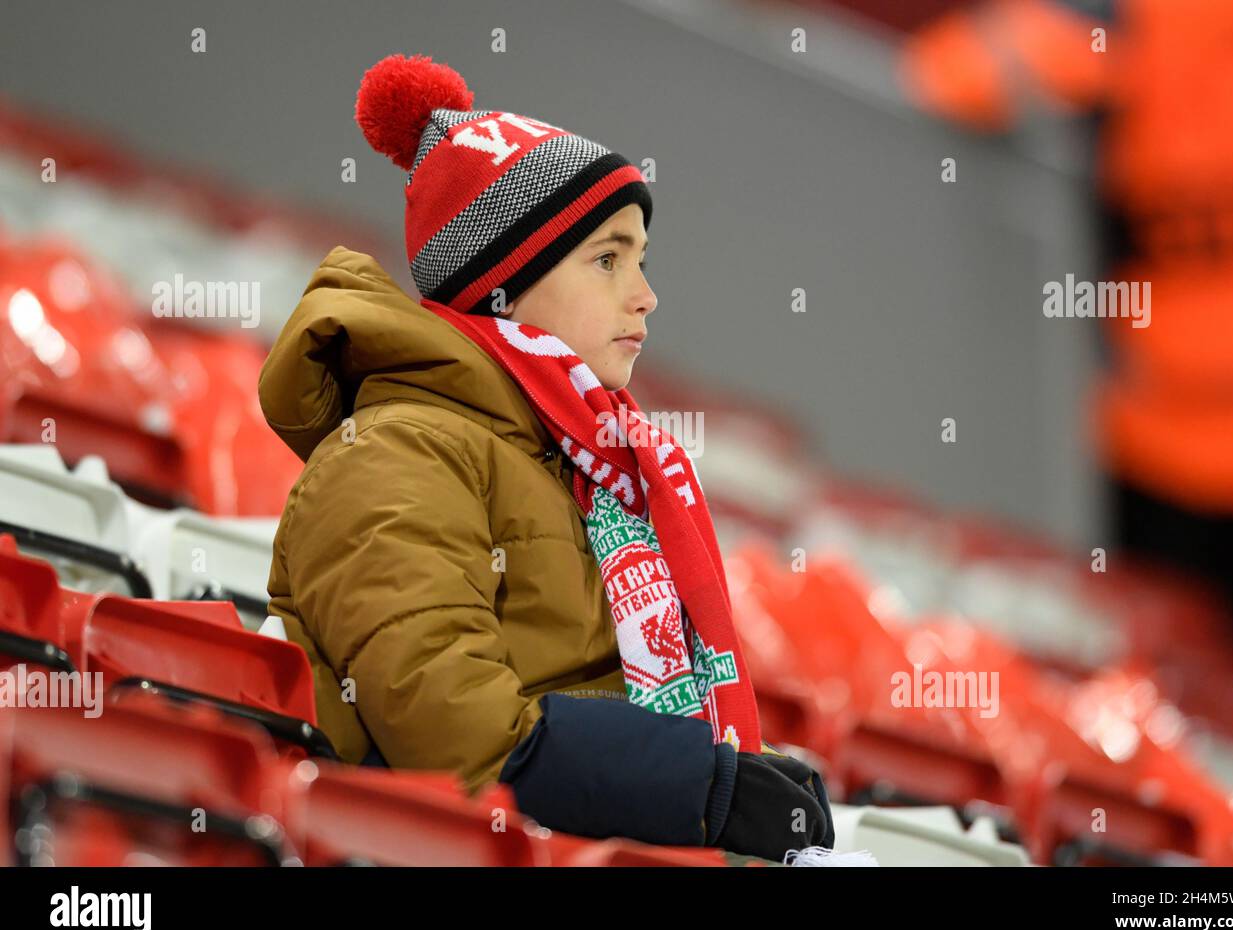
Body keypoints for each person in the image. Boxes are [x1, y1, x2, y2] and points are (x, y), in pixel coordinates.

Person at [258, 54, 834, 862]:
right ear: (504, 284)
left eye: (642, 259)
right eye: (608, 258)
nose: (646, 294)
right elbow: (463, 739)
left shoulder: (589, 472)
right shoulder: (389, 457)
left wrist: (736, 786)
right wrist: (705, 789)